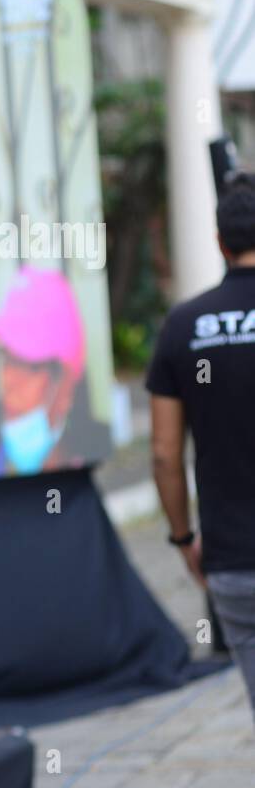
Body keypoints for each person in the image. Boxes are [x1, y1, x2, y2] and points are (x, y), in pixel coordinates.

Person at [146, 173, 255, 721]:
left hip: (233, 563)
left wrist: (184, 538)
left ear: (219, 243)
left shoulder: (183, 326)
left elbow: (164, 453)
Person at [0, 266, 91, 475]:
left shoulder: (80, 493)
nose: (8, 379)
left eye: (28, 365)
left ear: (65, 388)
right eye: (6, 359)